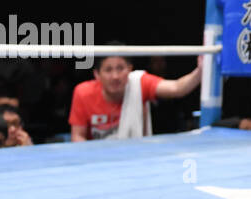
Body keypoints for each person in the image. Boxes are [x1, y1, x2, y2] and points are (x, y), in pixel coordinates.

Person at [69, 51, 203, 141]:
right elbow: (78, 137)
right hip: (96, 160)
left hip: (133, 157)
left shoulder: (139, 82)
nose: (115, 76)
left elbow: (177, 88)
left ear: (129, 69)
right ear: (97, 74)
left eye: (120, 68)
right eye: (108, 70)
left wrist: (201, 70)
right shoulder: (83, 92)